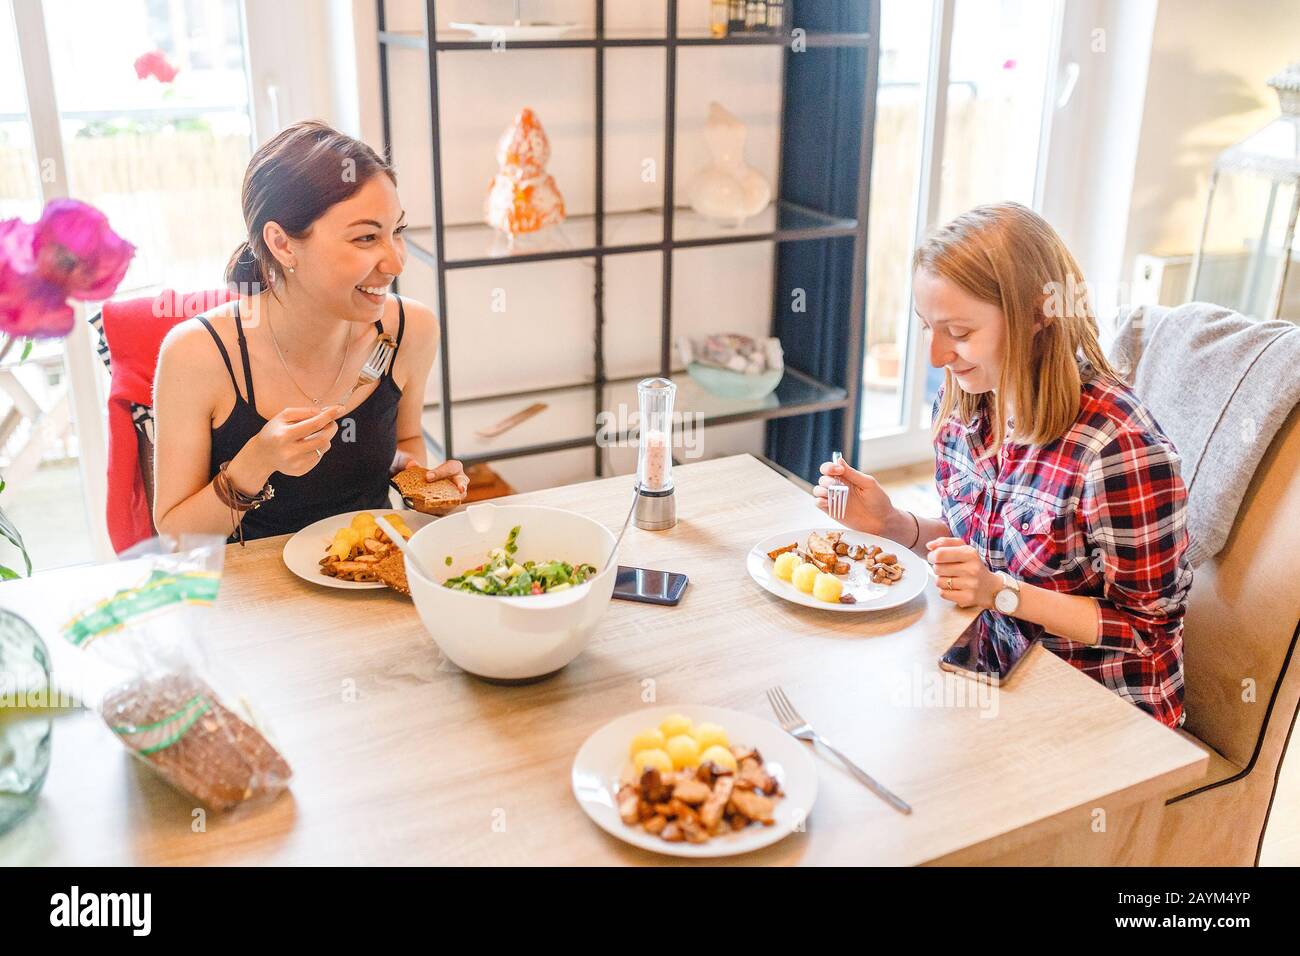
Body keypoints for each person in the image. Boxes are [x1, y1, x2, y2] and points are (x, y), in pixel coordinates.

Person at [816, 203, 1192, 727]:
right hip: (999, 666)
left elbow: (1147, 630)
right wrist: (891, 525)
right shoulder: (962, 408)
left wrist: (1002, 594)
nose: (937, 357)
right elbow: (986, 550)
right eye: (927, 327)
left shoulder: (1118, 449)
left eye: (961, 332)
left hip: (1106, 708)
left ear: (1039, 314)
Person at [153, 120, 467, 542]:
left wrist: (417, 480)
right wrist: (254, 464)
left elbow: (405, 441)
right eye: (366, 238)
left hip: (370, 574)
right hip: (250, 594)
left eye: (397, 232)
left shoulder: (411, 330)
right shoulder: (198, 355)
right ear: (282, 244)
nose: (395, 262)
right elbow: (176, 537)